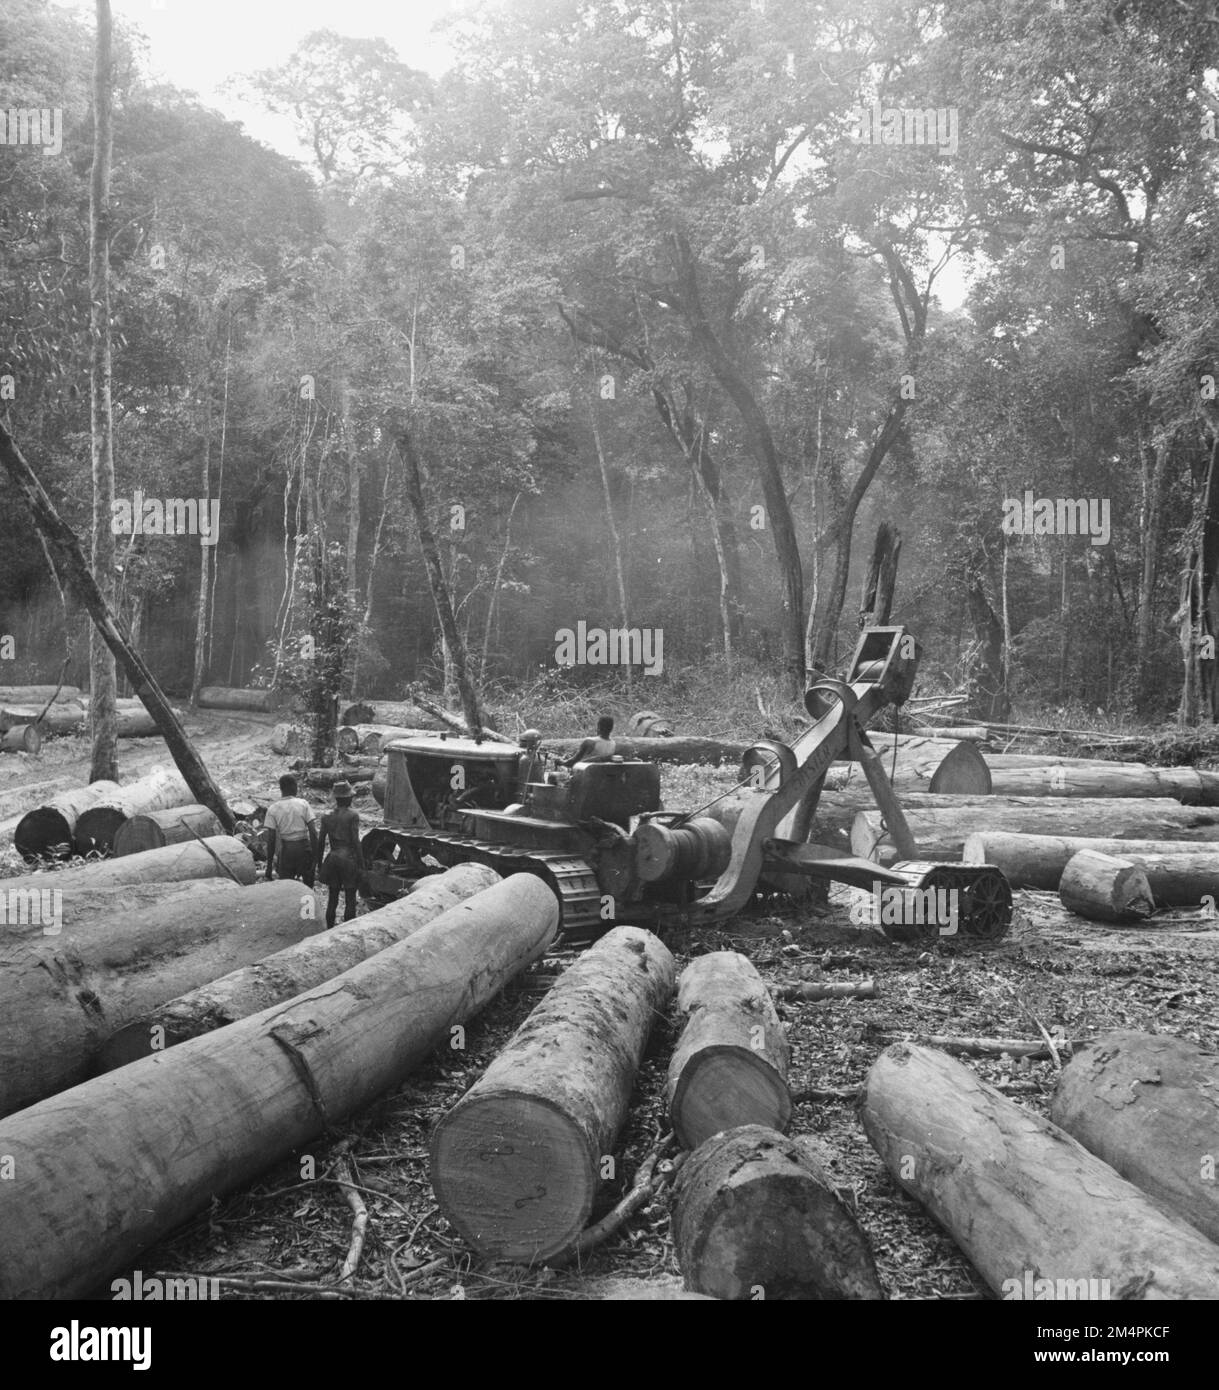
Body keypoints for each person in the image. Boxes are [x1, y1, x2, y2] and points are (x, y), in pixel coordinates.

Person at [316, 780, 366, 928]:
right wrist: (362, 866)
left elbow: (320, 842)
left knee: (333, 898)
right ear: (347, 798)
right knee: (350, 898)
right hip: (348, 860)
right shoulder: (352, 816)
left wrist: (319, 864)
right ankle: (348, 929)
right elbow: (356, 842)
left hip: (332, 858)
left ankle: (329, 929)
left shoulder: (326, 817)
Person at [263, 774, 317, 886]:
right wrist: (316, 858)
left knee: (287, 888)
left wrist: (269, 866)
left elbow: (271, 839)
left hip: (287, 851)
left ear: (281, 789)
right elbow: (313, 832)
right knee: (308, 887)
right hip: (304, 849)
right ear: (294, 787)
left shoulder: (273, 809)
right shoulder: (303, 804)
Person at [517, 728, 546, 794]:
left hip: (525, 792)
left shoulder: (524, 759)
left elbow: (522, 780)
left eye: (524, 741)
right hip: (537, 791)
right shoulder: (540, 758)